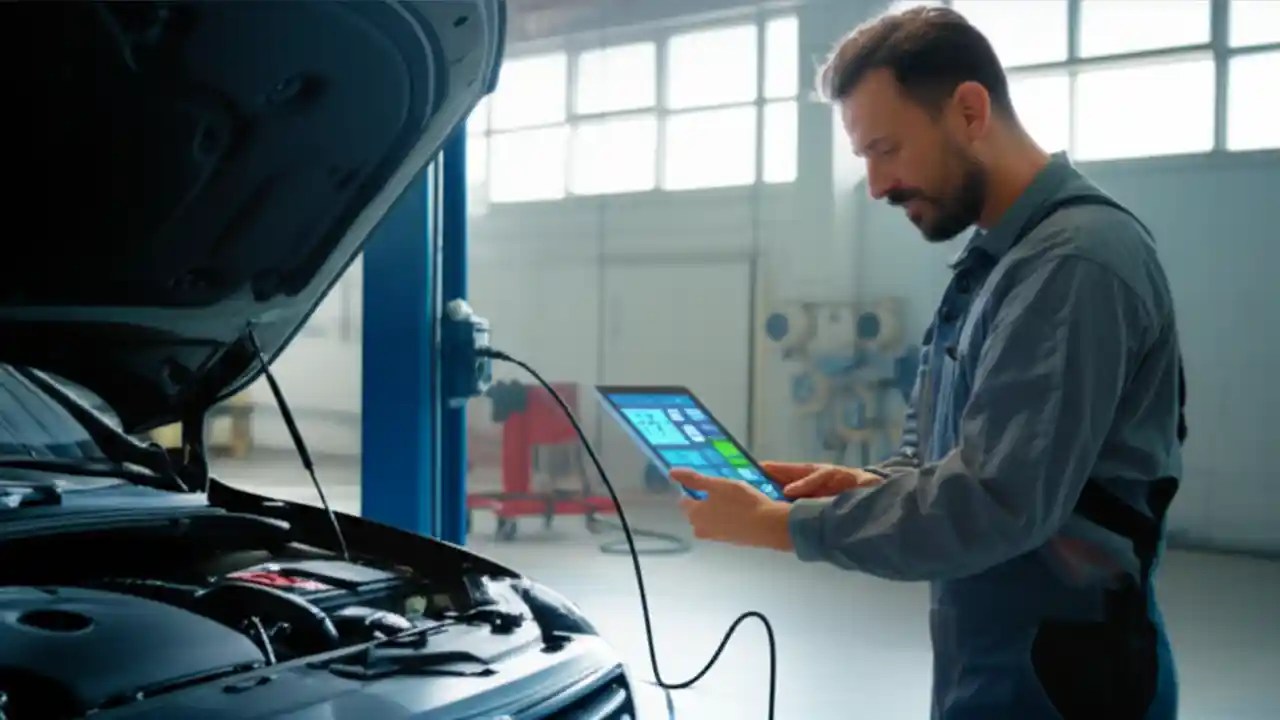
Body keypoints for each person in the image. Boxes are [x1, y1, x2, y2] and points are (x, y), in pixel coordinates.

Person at [670, 6, 1185, 719]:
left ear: (970, 111)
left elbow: (996, 502)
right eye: (864, 158)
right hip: (998, 665)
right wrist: (863, 487)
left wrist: (784, 527)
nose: (876, 185)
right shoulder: (993, 266)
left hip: (1070, 684)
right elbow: (954, 463)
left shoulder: (1073, 264)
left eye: (886, 149)